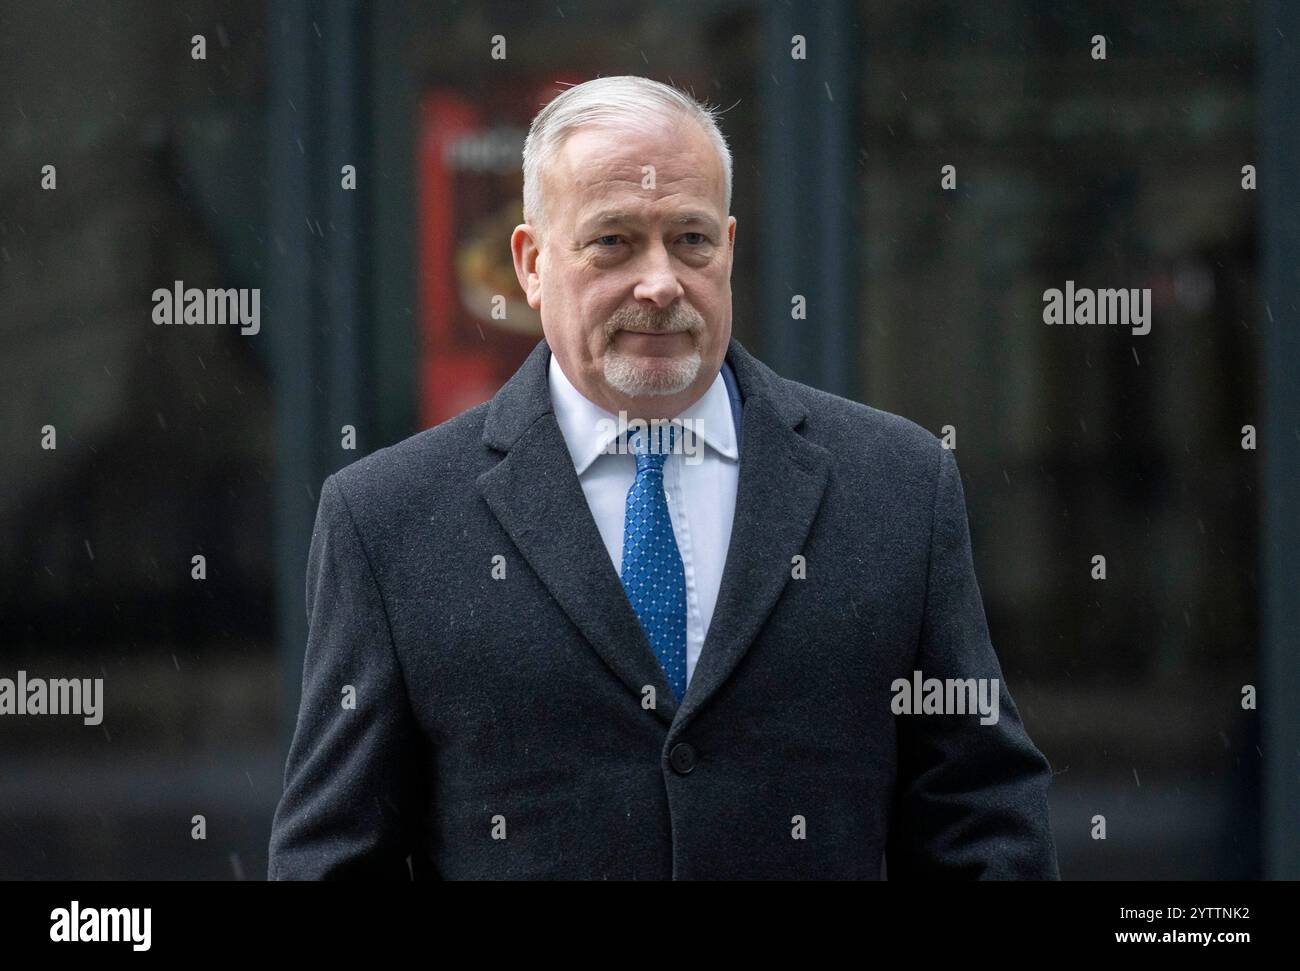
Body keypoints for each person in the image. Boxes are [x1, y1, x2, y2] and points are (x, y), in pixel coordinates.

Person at [267, 75, 1060, 879]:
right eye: (614, 240)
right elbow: (333, 858)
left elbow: (982, 820)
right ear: (532, 262)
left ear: (729, 247)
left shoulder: (897, 487)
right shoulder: (388, 520)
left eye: (690, 238)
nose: (661, 282)